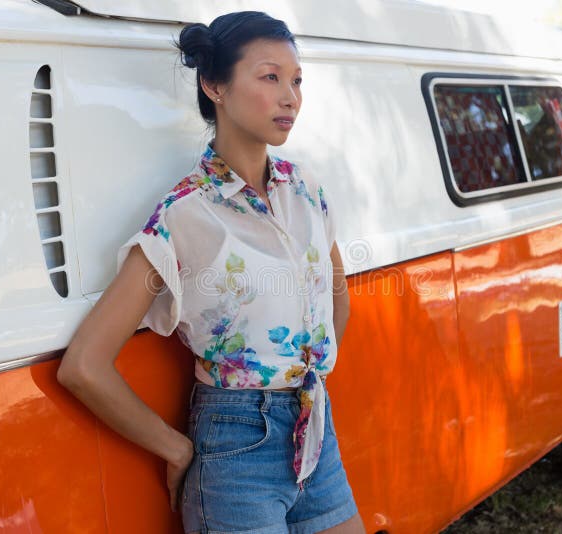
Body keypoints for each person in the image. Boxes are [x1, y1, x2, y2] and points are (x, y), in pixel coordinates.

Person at [57, 10, 364, 534]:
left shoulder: (307, 191)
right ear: (214, 85)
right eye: (270, 77)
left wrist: (310, 370)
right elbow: (83, 365)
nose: (291, 96)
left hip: (316, 433)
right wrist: (175, 448)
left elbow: (337, 296)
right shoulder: (184, 214)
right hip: (235, 451)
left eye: (296, 80)